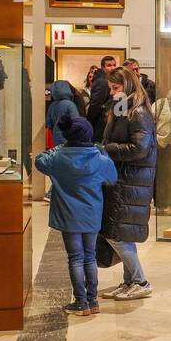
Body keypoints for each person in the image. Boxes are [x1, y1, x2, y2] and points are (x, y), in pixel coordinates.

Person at [34, 114, 116, 316]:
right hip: (91, 215)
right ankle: (92, 300)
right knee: (90, 257)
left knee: (75, 258)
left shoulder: (58, 157)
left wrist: (58, 147)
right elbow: (112, 178)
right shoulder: (99, 158)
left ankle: (80, 302)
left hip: (68, 216)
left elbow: (39, 161)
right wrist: (100, 150)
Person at [99, 67, 157, 300]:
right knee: (121, 231)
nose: (113, 93)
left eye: (117, 88)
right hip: (123, 177)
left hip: (132, 179)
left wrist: (108, 149)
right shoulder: (123, 109)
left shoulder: (138, 112)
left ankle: (141, 281)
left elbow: (139, 148)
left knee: (117, 234)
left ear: (128, 86)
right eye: (111, 89)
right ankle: (129, 282)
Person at [85, 54, 118, 135]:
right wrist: (89, 122)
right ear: (103, 67)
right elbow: (96, 105)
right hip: (100, 122)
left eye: (114, 65)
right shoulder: (102, 82)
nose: (112, 68)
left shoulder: (107, 79)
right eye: (109, 65)